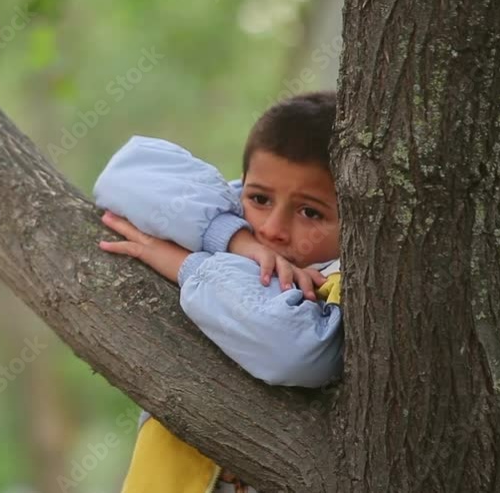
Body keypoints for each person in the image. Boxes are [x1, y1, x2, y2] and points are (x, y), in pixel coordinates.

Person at [92, 91, 342, 493]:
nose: (273, 228)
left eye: (310, 212)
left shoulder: (344, 282)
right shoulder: (228, 218)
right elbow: (125, 174)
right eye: (260, 198)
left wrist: (185, 265)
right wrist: (233, 239)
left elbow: (294, 351)